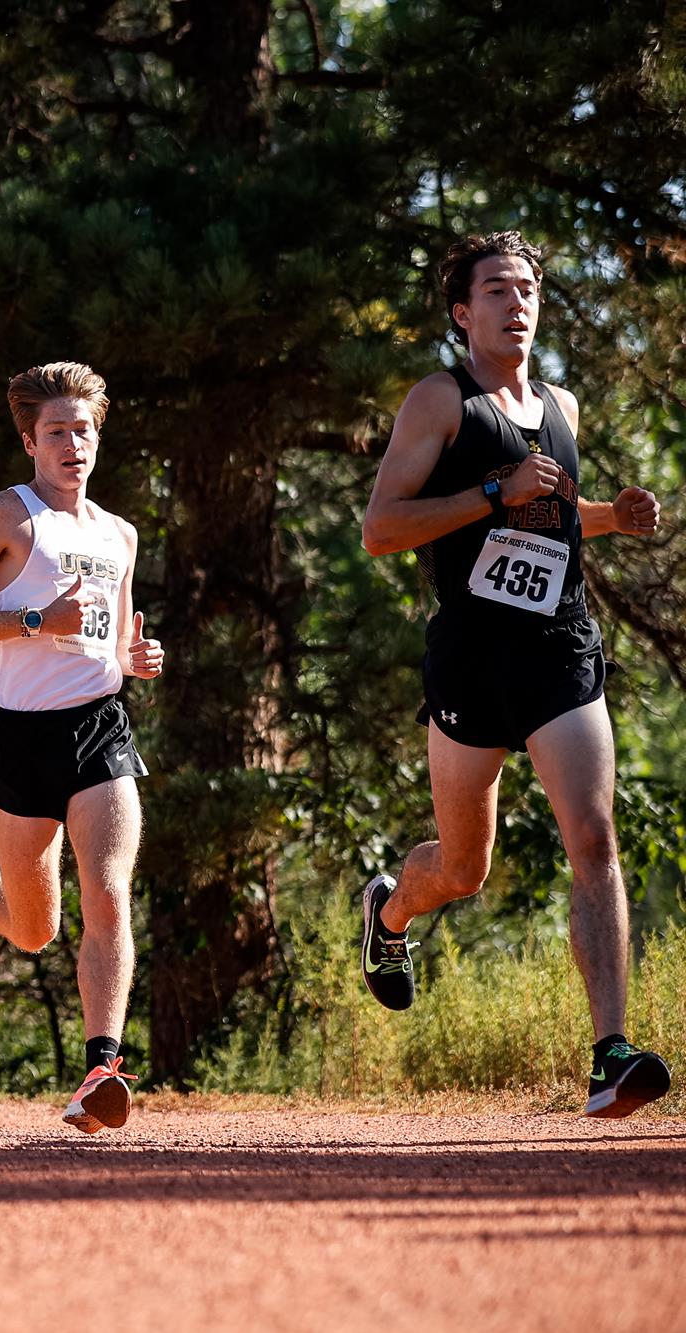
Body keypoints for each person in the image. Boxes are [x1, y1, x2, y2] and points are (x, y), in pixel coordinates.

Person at [359, 230, 671, 1117]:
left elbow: (557, 522)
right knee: (463, 867)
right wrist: (491, 491)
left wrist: (617, 514)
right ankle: (389, 911)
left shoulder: (564, 405)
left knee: (595, 838)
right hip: (471, 655)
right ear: (463, 312)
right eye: (496, 289)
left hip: (559, 648)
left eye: (527, 287)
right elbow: (383, 527)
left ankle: (611, 1051)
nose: (516, 301)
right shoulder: (440, 401)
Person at [0, 361, 165, 1133]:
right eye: (57, 431)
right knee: (35, 929)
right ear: (30, 439)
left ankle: (102, 1066)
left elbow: (117, 639)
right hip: (20, 736)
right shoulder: (4, 517)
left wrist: (136, 658)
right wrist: (34, 623)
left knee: (108, 892)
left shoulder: (120, 534)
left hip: (100, 726)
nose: (74, 443)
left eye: (85, 430)